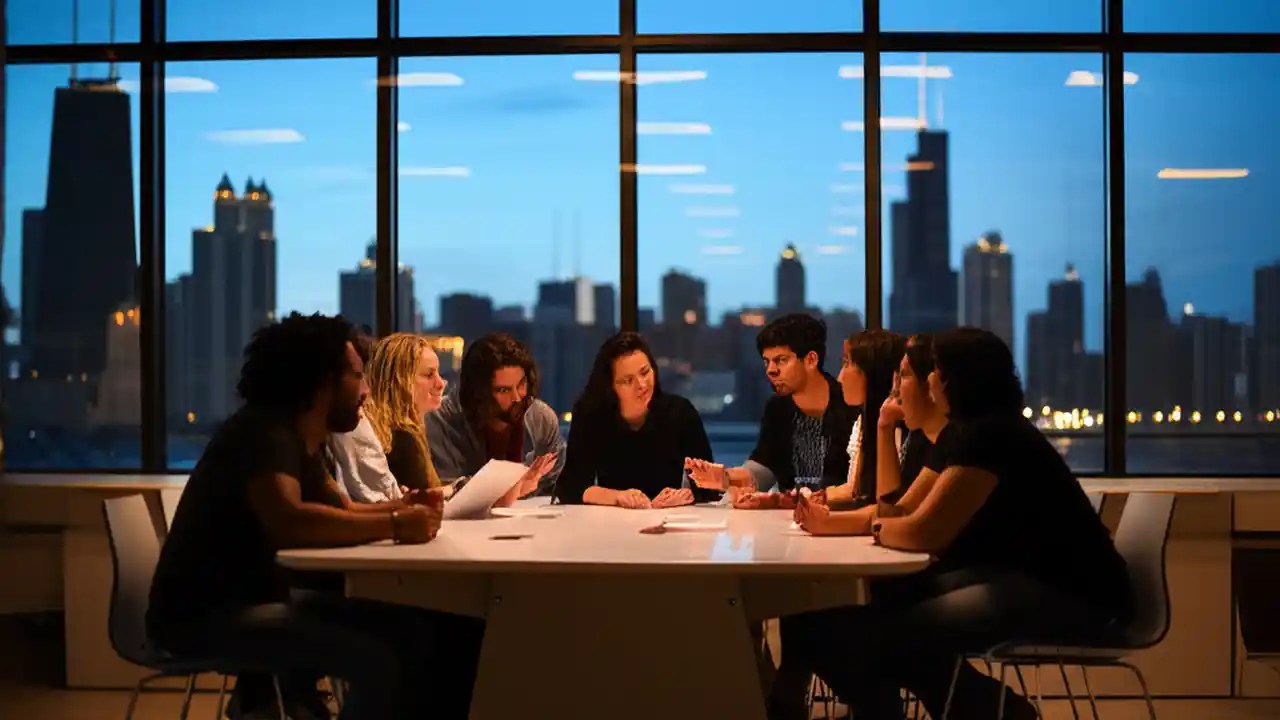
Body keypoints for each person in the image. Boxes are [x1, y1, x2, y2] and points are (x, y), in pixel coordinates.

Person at [148, 313, 484, 720]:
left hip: (262, 599)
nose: (365, 390)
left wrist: (402, 506)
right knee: (381, 656)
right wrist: (397, 524)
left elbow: (341, 509)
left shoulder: (301, 435)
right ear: (323, 381)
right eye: (358, 377)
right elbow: (289, 519)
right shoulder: (264, 432)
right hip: (207, 616)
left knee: (437, 629)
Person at [785, 328, 1132, 720]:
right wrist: (886, 519)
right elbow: (899, 514)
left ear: (951, 380)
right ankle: (1001, 712)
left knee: (888, 634)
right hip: (1012, 577)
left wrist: (880, 528)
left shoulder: (989, 436)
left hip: (1074, 595)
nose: (902, 385)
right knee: (853, 618)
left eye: (920, 373)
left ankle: (1000, 713)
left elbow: (918, 533)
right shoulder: (961, 436)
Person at [686, 313, 857, 509]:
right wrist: (724, 477)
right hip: (790, 523)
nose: (771, 370)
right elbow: (763, 466)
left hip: (839, 520)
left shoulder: (849, 406)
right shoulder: (778, 408)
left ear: (811, 359)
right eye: (767, 361)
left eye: (781, 360)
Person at [554, 332, 716, 508]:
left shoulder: (680, 412)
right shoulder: (591, 414)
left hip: (668, 519)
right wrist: (618, 497)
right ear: (610, 388)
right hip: (612, 521)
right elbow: (569, 487)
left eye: (645, 372)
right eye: (628, 380)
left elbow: (710, 487)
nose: (642, 385)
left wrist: (683, 496)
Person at [426, 332, 564, 499]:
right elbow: (441, 496)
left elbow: (560, 487)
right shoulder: (436, 423)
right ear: (478, 393)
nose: (517, 397)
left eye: (521, 384)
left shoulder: (541, 419)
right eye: (503, 390)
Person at [819, 329, 906, 510]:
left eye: (847, 363)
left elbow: (889, 508)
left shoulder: (900, 429)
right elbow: (856, 489)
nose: (840, 377)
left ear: (874, 371)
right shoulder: (862, 421)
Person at [326, 334, 401, 504]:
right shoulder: (277, 446)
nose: (366, 391)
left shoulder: (317, 450)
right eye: (358, 375)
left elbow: (346, 510)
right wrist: (398, 515)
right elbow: (301, 518)